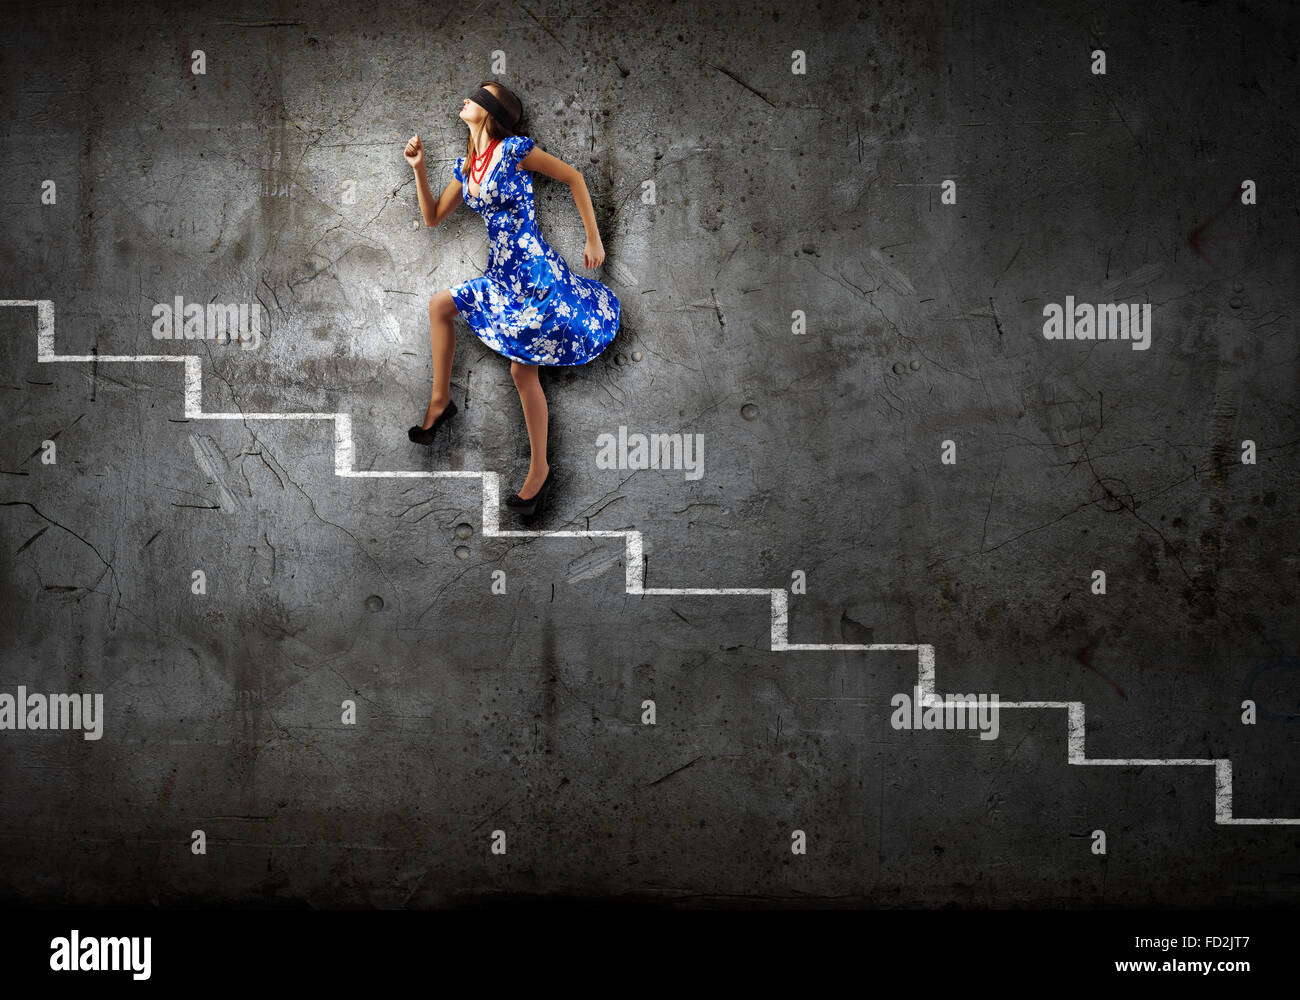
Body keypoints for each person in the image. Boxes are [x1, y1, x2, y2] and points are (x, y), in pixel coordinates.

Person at [403, 81, 620, 518]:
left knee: (523, 372)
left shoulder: (515, 150)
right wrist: (419, 167)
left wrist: (593, 239)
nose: (466, 99)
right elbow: (431, 217)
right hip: (502, 274)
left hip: (535, 272)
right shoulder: (468, 165)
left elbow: (573, 176)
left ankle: (538, 469)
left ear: (491, 112)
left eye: (477, 96)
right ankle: (440, 402)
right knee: (440, 306)